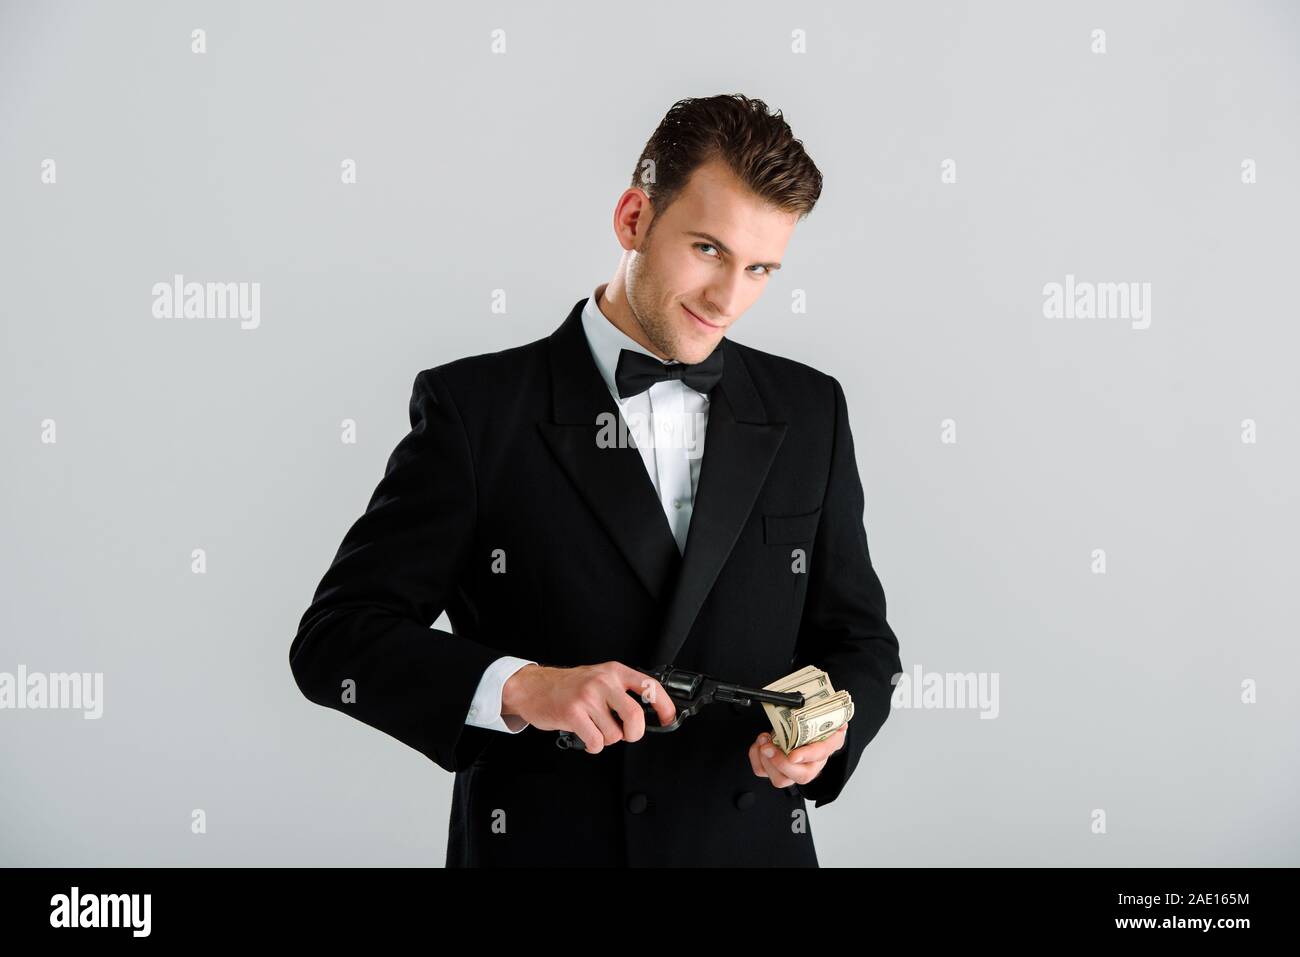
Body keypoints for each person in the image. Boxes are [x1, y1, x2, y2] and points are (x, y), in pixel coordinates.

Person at [290, 93, 902, 867]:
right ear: (633, 218)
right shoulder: (477, 409)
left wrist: (829, 729)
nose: (728, 300)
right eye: (708, 249)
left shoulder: (812, 408)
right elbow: (336, 639)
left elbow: (860, 641)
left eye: (760, 269)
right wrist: (521, 687)